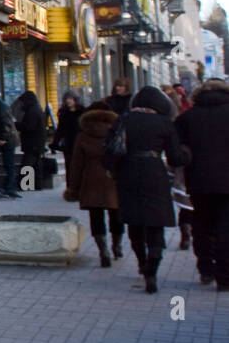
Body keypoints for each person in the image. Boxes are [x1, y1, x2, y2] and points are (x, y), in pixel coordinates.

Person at [105, 86, 190, 294]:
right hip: (154, 173)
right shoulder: (164, 123)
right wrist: (187, 152)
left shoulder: (123, 120)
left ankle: (142, 264)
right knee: (155, 222)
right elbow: (176, 158)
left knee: (135, 221)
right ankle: (153, 269)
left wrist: (113, 172)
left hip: (128, 173)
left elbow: (109, 151)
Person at [173, 78, 229, 289]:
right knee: (226, 228)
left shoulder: (187, 118)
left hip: (198, 181)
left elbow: (177, 153)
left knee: (202, 224)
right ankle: (225, 276)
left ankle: (206, 269)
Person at [65, 101, 124, 267]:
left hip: (91, 179)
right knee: (116, 214)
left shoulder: (83, 135)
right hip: (113, 178)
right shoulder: (118, 132)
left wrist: (73, 188)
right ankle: (117, 245)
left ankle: (103, 250)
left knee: (96, 216)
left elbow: (76, 164)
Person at [13, 90, 46, 191]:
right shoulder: (37, 108)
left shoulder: (32, 111)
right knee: (36, 164)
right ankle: (37, 184)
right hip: (37, 141)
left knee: (28, 164)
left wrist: (16, 125)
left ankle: (26, 185)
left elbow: (29, 127)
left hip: (31, 142)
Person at [51, 90, 83, 173]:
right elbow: (60, 129)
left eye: (70, 99)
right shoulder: (63, 113)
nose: (68, 101)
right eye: (67, 99)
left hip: (79, 143)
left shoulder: (82, 112)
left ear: (75, 100)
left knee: (79, 166)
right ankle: (70, 185)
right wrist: (55, 143)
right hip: (68, 144)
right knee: (69, 166)